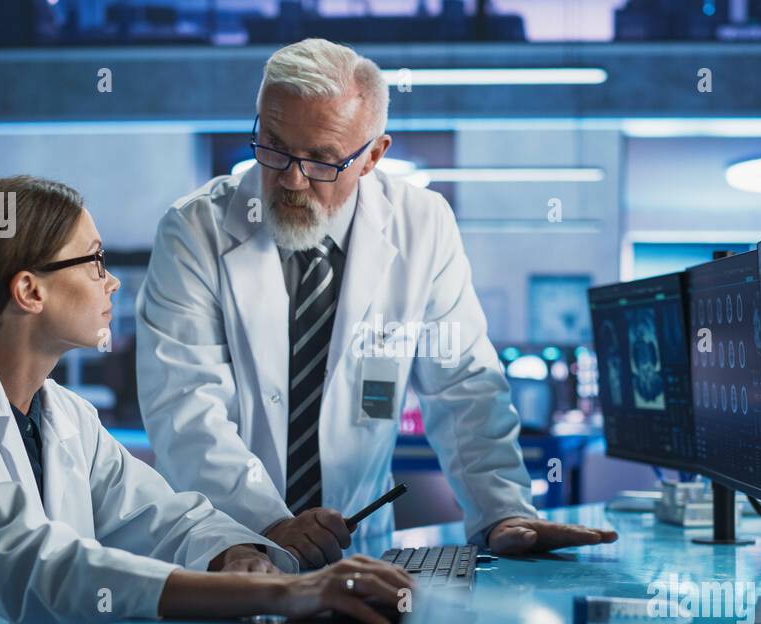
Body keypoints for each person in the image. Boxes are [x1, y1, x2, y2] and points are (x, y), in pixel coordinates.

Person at [0, 175, 412, 624]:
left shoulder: (63, 415)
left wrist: (234, 554)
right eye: (93, 262)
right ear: (29, 290)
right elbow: (35, 569)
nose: (110, 283)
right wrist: (286, 592)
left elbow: (162, 518)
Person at [136, 38, 617, 567]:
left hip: (357, 554)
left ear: (373, 157)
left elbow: (464, 386)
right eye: (273, 148)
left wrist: (503, 512)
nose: (291, 181)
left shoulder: (422, 225)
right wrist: (269, 522)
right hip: (229, 546)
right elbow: (185, 408)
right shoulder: (195, 230)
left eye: (321, 161)